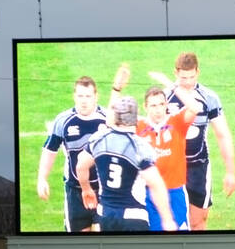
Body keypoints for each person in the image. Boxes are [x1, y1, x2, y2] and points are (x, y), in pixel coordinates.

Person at [111, 66, 201, 231]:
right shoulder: (138, 126)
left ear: (166, 104)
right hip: (148, 194)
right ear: (145, 107)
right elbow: (111, 122)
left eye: (161, 104)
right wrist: (116, 89)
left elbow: (195, 107)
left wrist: (170, 84)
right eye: (153, 106)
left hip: (175, 193)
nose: (158, 110)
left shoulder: (177, 123)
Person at [75, 96, 177, 233]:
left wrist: (86, 189)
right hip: (133, 218)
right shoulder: (140, 147)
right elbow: (156, 184)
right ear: (135, 117)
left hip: (105, 215)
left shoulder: (98, 139)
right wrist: (167, 219)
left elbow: (81, 166)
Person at [162, 52, 235, 231]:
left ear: (198, 72)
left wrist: (230, 172)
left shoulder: (209, 98)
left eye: (191, 77)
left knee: (198, 221)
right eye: (183, 77)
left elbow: (222, 134)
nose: (187, 82)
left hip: (198, 167)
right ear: (175, 73)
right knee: (170, 222)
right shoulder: (164, 98)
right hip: (171, 168)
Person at [37, 76, 108, 231]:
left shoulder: (107, 119)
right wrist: (42, 178)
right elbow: (50, 150)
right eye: (80, 96)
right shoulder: (63, 120)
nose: (84, 100)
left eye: (88, 96)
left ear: (96, 96)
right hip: (75, 192)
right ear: (74, 96)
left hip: (102, 191)